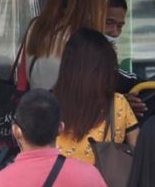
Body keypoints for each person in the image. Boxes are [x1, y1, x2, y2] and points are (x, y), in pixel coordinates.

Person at [53, 28, 138, 166]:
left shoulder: (49, 104)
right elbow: (138, 151)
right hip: (103, 185)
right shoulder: (117, 103)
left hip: (57, 183)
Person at [24, 0, 111, 90]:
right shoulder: (86, 38)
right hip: (69, 109)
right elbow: (92, 91)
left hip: (38, 106)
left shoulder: (36, 26)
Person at [105, 0, 146, 119]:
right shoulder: (83, 51)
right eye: (109, 23)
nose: (115, 32)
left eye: (120, 26)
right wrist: (120, 102)